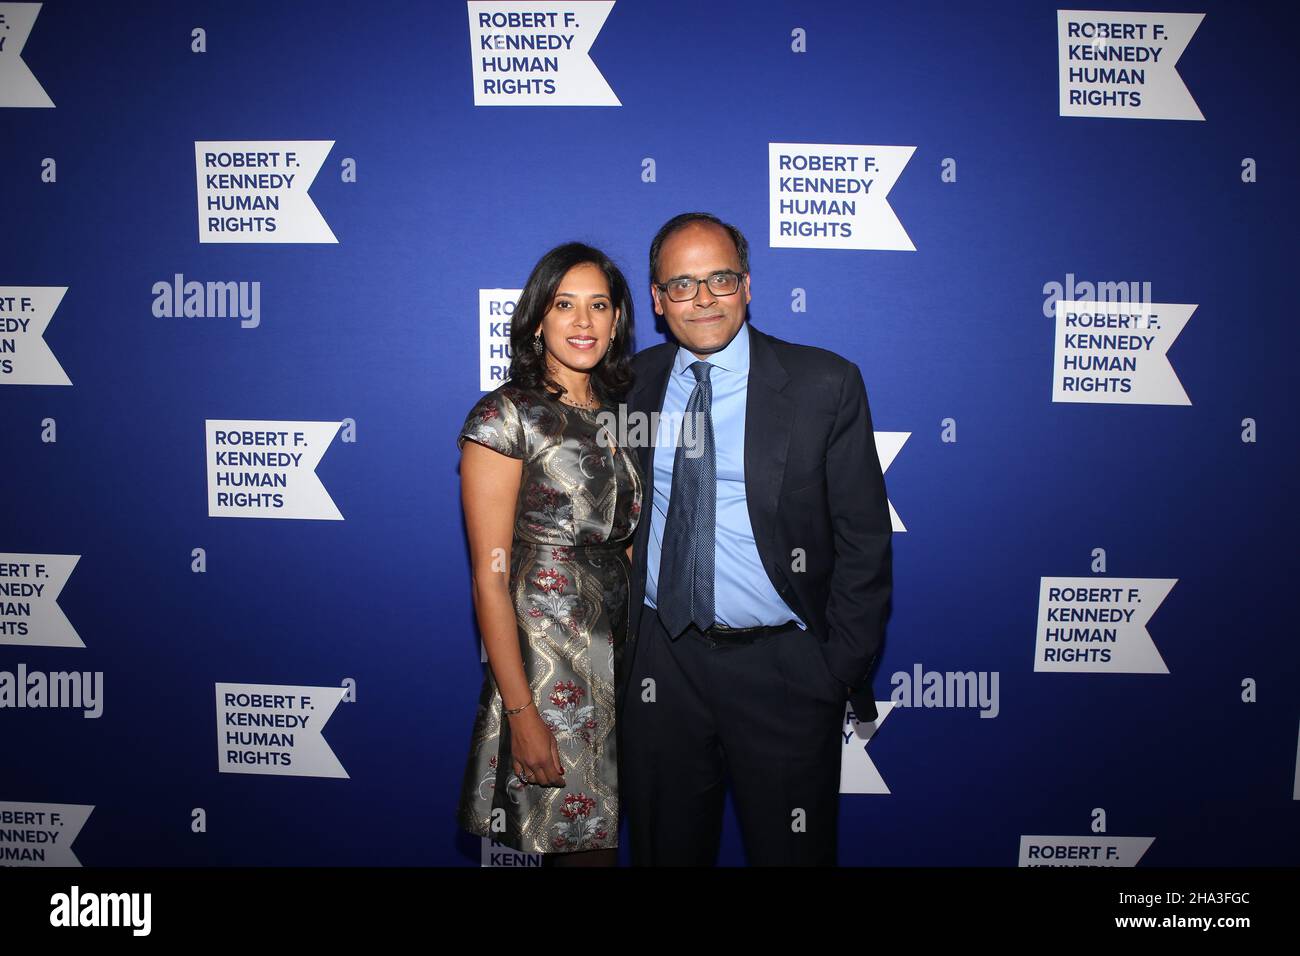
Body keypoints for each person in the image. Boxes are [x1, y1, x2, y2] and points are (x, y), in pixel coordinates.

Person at [619, 212, 893, 866]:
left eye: (720, 279)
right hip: (660, 666)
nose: (704, 298)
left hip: (784, 672)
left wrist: (833, 670)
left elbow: (864, 540)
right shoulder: (628, 386)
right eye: (682, 285)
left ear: (747, 286)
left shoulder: (823, 384)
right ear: (657, 300)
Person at [456, 242, 641, 867]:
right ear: (538, 319)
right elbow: (489, 577)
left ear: (617, 321)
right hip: (550, 661)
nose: (583, 322)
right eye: (565, 305)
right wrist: (522, 711)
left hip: (625, 655)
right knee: (579, 854)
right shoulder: (505, 416)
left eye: (599, 306)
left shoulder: (623, 413)